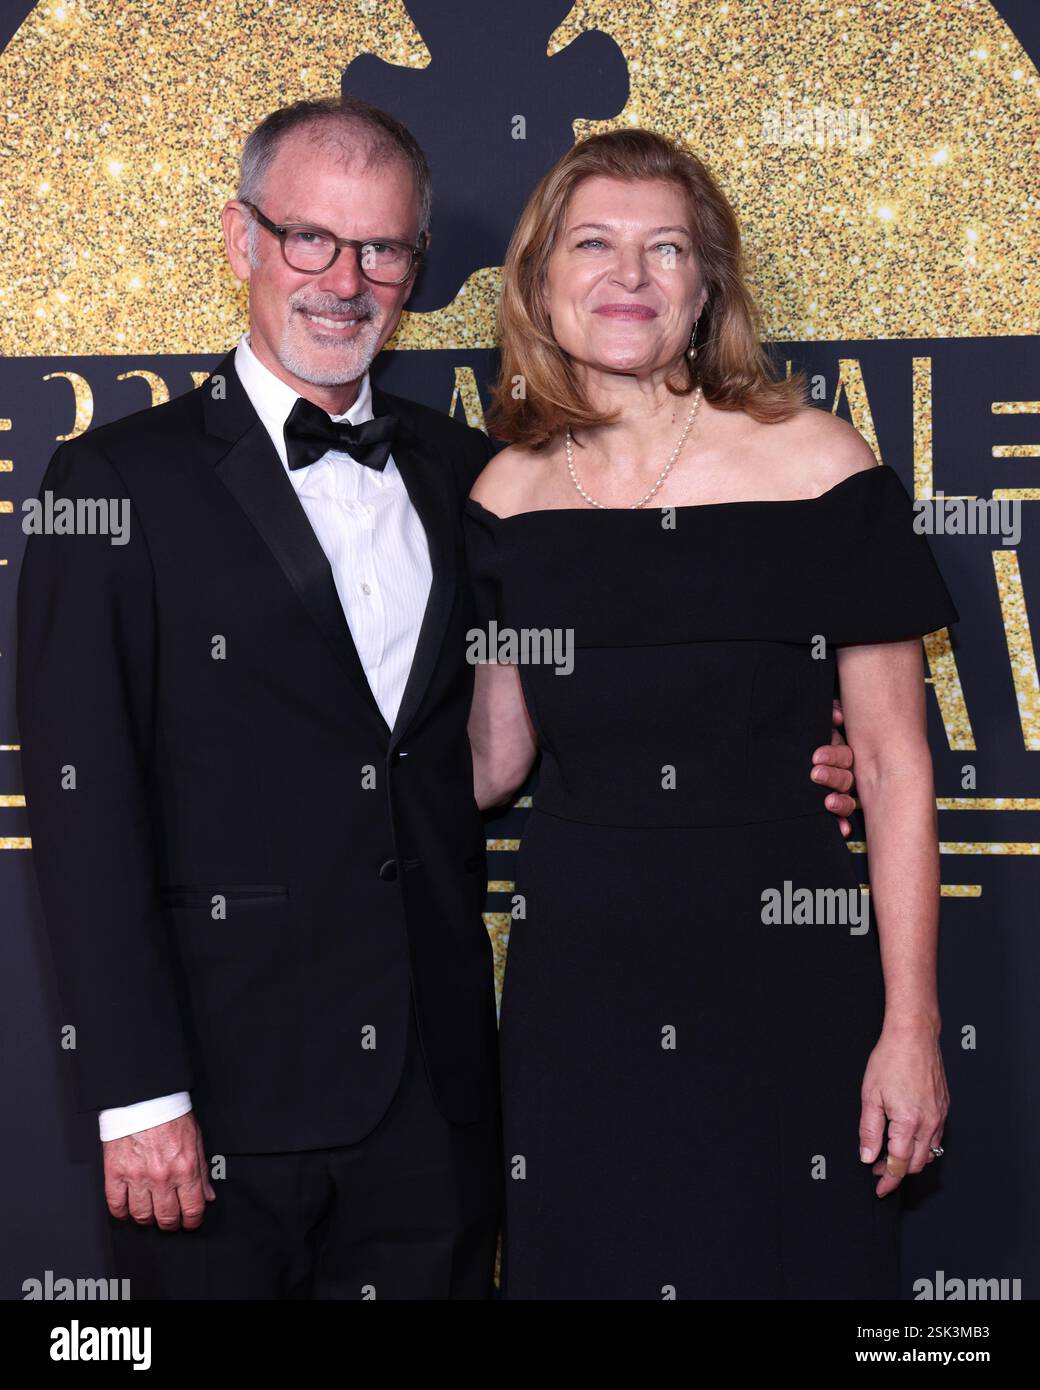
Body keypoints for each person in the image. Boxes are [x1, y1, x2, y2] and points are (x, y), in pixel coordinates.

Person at [17, 97, 856, 1301]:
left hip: (442, 1101)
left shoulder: (478, 475)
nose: (343, 279)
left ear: (416, 266)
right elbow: (83, 809)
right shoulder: (110, 483)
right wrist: (139, 1095)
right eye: (309, 237)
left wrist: (787, 754)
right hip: (214, 1100)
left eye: (382, 249)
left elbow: (574, 696)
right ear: (239, 239)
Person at [464, 127, 957, 1299]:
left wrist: (911, 1027)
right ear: (539, 279)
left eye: (663, 249)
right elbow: (488, 760)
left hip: (784, 967)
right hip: (579, 977)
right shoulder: (502, 492)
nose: (626, 277)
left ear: (705, 286)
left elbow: (890, 768)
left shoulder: (817, 468)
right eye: (592, 243)